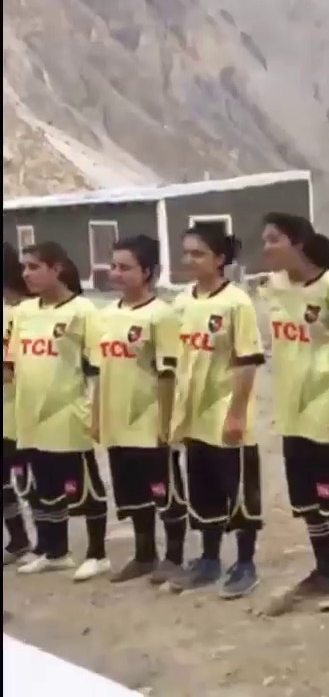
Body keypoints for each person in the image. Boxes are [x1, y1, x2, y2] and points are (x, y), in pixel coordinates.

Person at [259, 213, 329, 615]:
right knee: (306, 500)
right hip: (290, 410)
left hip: (328, 408)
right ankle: (322, 568)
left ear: (298, 242)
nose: (266, 247)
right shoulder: (273, 286)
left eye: (274, 239)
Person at [165, 225, 266, 599]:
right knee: (203, 491)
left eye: (198, 253)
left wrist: (237, 413)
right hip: (193, 416)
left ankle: (246, 564)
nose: (189, 260)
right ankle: (208, 560)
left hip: (226, 415)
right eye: (187, 252)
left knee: (237, 493)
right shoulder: (181, 303)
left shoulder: (236, 302)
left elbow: (247, 361)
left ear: (220, 259)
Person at [6, 242, 111, 580]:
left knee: (84, 488)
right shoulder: (24, 312)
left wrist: (97, 413)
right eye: (24, 267)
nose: (26, 273)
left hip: (67, 417)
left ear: (57, 269)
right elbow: (12, 366)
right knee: (41, 488)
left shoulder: (83, 311)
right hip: (30, 418)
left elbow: (98, 369)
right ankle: (55, 552)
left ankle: (98, 554)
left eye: (34, 266)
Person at [95, 235, 189, 585]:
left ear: (147, 271)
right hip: (117, 422)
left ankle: (174, 557)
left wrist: (166, 422)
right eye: (113, 266)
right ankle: (144, 555)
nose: (115, 273)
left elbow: (167, 374)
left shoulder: (162, 315)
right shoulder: (106, 316)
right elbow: (102, 371)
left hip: (150, 422)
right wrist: (97, 416)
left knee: (165, 492)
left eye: (125, 267)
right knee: (132, 494)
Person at [2, 242, 34, 566]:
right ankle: (19, 539)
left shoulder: (21, 313)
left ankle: (49, 544)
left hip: (19, 408)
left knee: (28, 480)